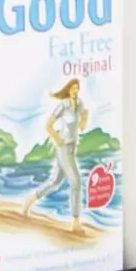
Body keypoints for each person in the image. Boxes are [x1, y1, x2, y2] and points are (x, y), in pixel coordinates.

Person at [24, 78, 87, 232]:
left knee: (54, 182)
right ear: (68, 90)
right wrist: (57, 139)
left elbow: (81, 127)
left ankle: (30, 200)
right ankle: (76, 222)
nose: (75, 92)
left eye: (77, 89)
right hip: (64, 147)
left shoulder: (79, 105)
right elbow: (48, 125)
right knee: (76, 181)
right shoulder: (62, 106)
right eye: (73, 89)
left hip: (73, 147)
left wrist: (85, 117)